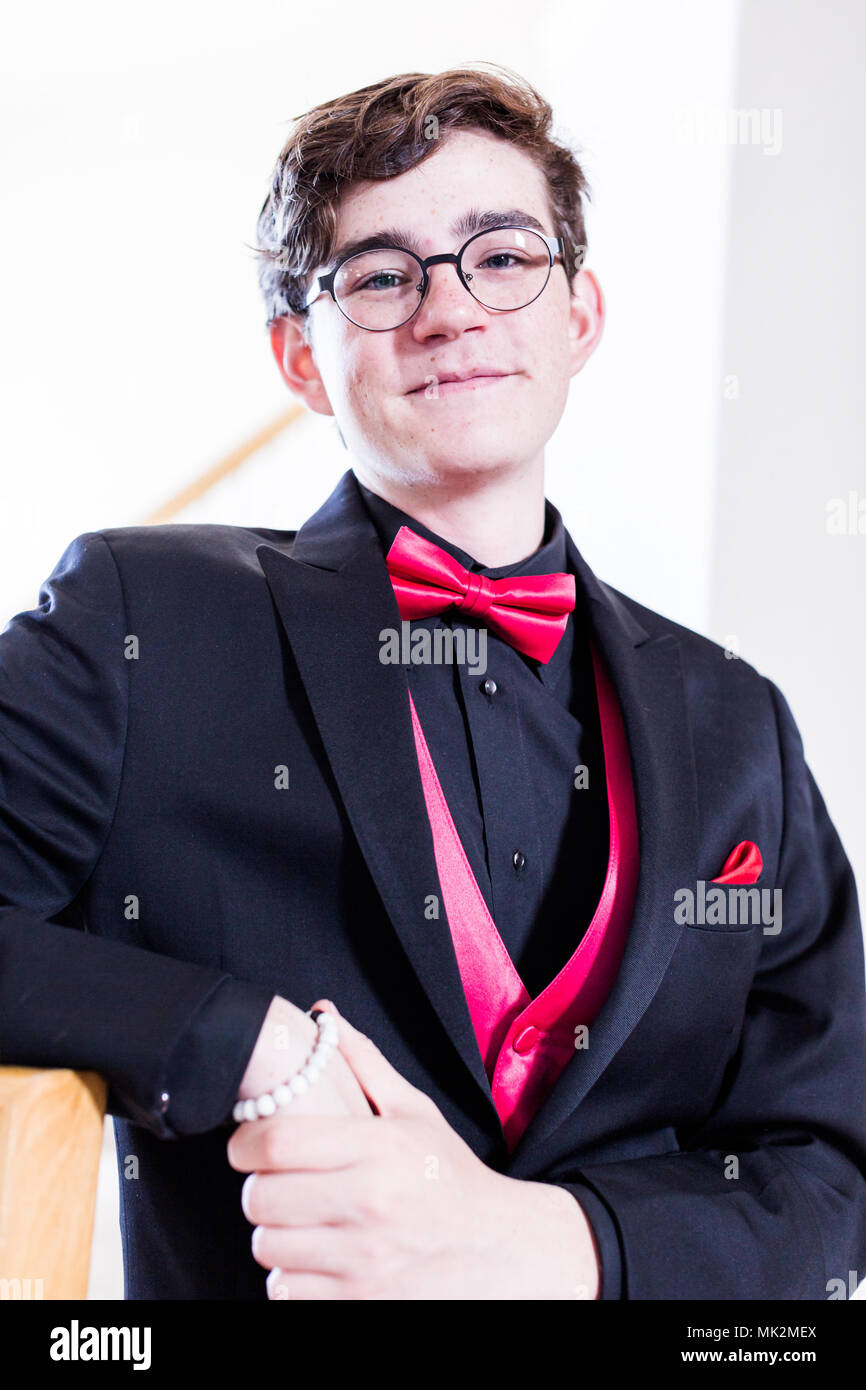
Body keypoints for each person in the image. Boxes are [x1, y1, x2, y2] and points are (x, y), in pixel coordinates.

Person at [1, 63, 865, 1302]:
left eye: (502, 255)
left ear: (577, 315)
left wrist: (551, 1247)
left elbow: (828, 1176)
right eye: (382, 273)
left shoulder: (737, 721)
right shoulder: (140, 621)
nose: (452, 311)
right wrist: (244, 1038)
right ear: (301, 354)